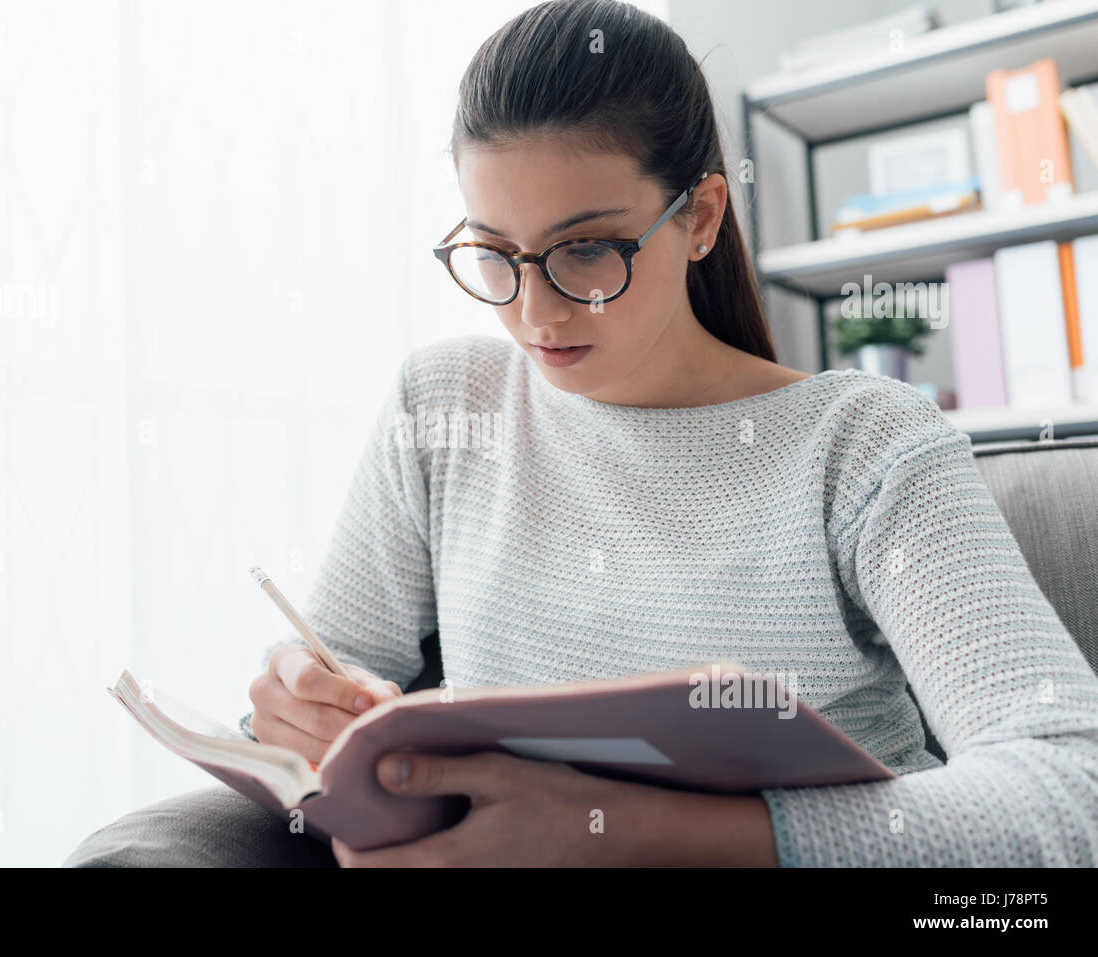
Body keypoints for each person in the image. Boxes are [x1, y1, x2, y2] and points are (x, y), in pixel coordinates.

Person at [65, 0, 1098, 868]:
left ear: (700, 217)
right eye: (494, 253)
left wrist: (627, 830)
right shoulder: (445, 409)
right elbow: (327, 689)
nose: (536, 315)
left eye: (588, 251)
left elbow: (1070, 791)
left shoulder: (863, 445)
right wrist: (294, 706)